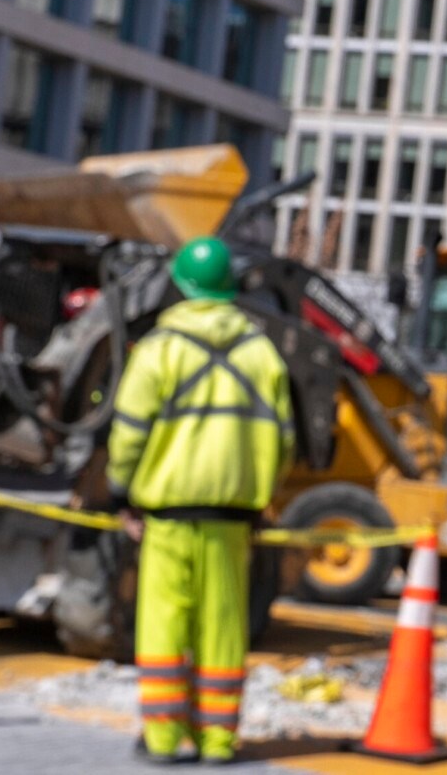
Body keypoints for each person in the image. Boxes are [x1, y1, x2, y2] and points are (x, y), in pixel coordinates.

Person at [109, 236, 295, 765]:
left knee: (164, 624)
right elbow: (283, 442)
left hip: (165, 516)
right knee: (222, 627)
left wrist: (123, 492)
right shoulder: (263, 354)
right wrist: (262, 495)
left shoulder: (158, 351)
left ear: (182, 287)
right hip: (233, 519)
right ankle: (218, 740)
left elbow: (128, 434)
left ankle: (165, 739)